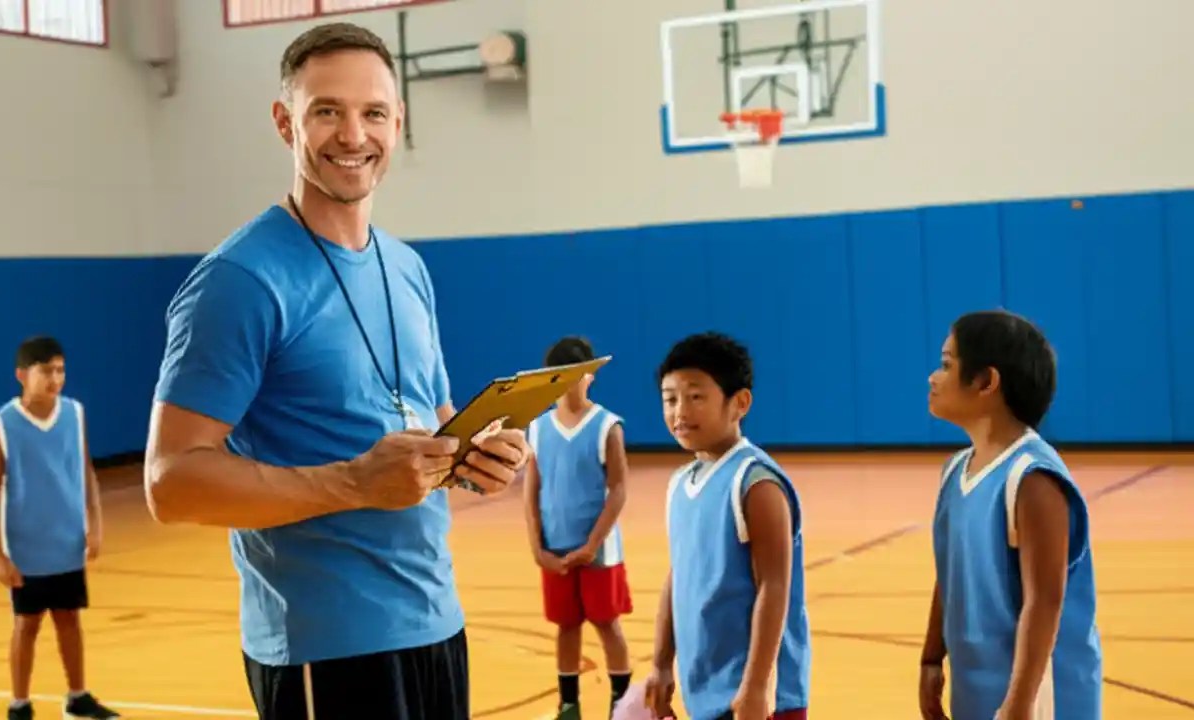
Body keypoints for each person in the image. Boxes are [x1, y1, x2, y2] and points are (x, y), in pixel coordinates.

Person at [142, 21, 531, 720]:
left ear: (397, 121)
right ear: (284, 122)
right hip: (326, 648)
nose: (353, 135)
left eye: (373, 112)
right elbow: (169, 483)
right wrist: (355, 481)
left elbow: (433, 421)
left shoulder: (406, 267)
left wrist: (478, 454)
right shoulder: (238, 281)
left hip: (436, 622)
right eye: (327, 111)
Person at [919, 310, 1103, 720]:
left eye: (946, 365)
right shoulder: (955, 470)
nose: (933, 377)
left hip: (1038, 697)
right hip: (977, 690)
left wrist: (1020, 703)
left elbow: (1045, 600)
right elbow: (948, 571)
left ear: (987, 381)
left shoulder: (1032, 478)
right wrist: (931, 657)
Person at [644, 332, 811, 720]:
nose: (680, 411)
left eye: (696, 396)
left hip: (756, 698)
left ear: (740, 403)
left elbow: (774, 586)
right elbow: (678, 575)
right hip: (704, 693)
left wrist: (756, 687)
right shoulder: (680, 483)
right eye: (670, 399)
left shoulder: (756, 483)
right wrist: (661, 664)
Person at [0, 336, 119, 720]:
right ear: (22, 375)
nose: (55, 378)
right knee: (26, 624)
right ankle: (19, 704)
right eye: (46, 371)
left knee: (69, 619)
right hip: (26, 548)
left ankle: (78, 697)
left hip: (67, 541)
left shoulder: (75, 413)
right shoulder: (2, 425)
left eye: (60, 370)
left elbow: (86, 471)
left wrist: (95, 524)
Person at [522, 336, 633, 720]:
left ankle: (622, 705)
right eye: (559, 376)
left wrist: (592, 543)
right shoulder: (537, 428)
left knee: (607, 624)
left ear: (591, 376)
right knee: (566, 626)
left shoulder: (606, 426)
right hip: (555, 547)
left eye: (576, 375)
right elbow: (531, 492)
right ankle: (569, 707)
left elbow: (619, 489)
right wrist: (537, 547)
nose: (569, 384)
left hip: (598, 551)